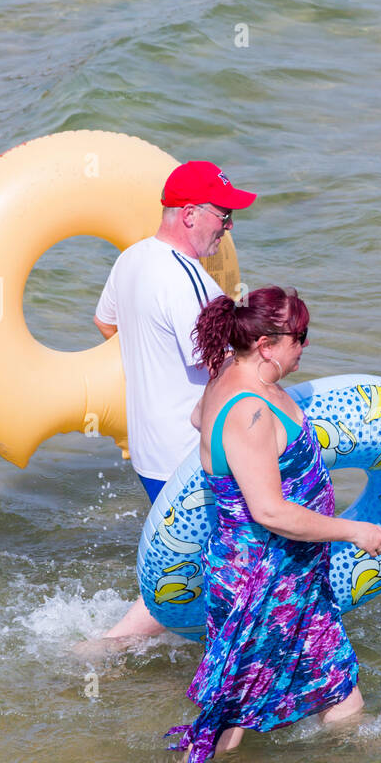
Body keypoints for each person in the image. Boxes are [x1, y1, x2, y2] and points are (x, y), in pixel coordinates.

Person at [165, 286, 381, 763]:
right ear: (267, 345)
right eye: (300, 336)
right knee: (231, 716)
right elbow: (269, 511)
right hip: (261, 579)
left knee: (335, 686)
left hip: (291, 574)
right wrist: (352, 531)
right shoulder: (249, 409)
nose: (305, 345)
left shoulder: (231, 373)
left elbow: (195, 417)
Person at [91, 161, 256, 648]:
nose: (228, 228)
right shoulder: (189, 282)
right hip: (192, 455)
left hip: (150, 451)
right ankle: (99, 649)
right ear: (188, 214)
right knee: (213, 569)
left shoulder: (132, 259)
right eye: (223, 215)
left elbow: (106, 324)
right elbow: (222, 369)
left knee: (202, 565)